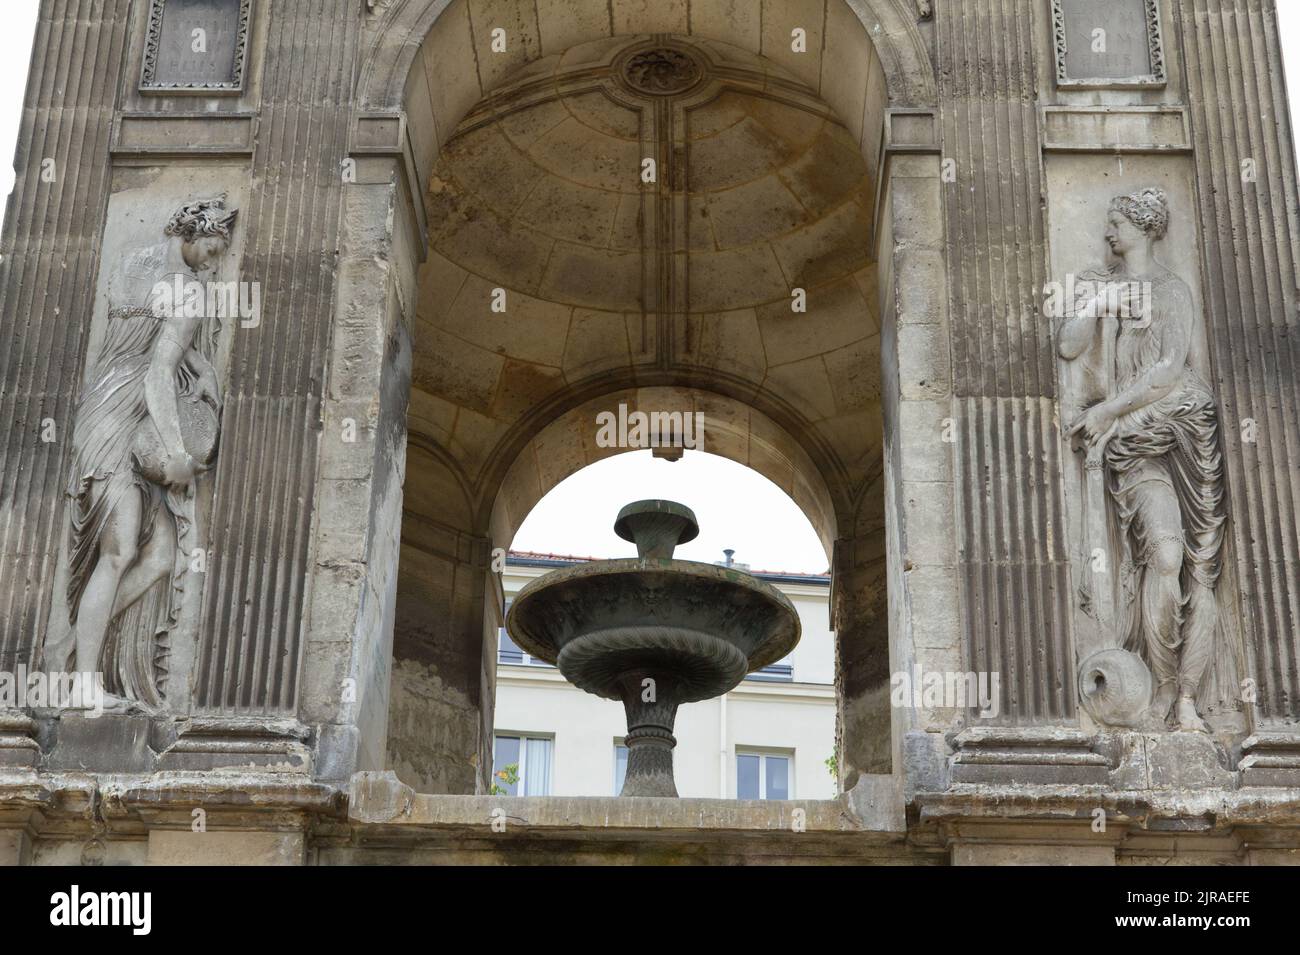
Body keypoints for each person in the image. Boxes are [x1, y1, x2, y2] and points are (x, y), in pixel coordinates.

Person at [42, 196, 235, 712]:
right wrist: (176, 450)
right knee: (119, 551)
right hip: (126, 420)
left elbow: (143, 334)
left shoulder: (132, 265)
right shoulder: (189, 289)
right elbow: (156, 371)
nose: (217, 259)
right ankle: (83, 684)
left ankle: (67, 644)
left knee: (160, 556)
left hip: (100, 410)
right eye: (214, 247)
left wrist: (199, 361)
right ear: (193, 234)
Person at [1060, 187, 1226, 733]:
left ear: (1143, 226)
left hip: (1183, 433)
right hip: (1133, 448)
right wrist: (1094, 302)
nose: (1109, 232)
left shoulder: (1172, 290)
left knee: (1199, 573)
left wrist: (1108, 410)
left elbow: (1169, 370)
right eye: (1107, 222)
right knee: (1164, 558)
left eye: (1117, 223)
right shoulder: (1103, 285)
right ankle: (1158, 689)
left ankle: (1186, 697)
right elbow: (1067, 345)